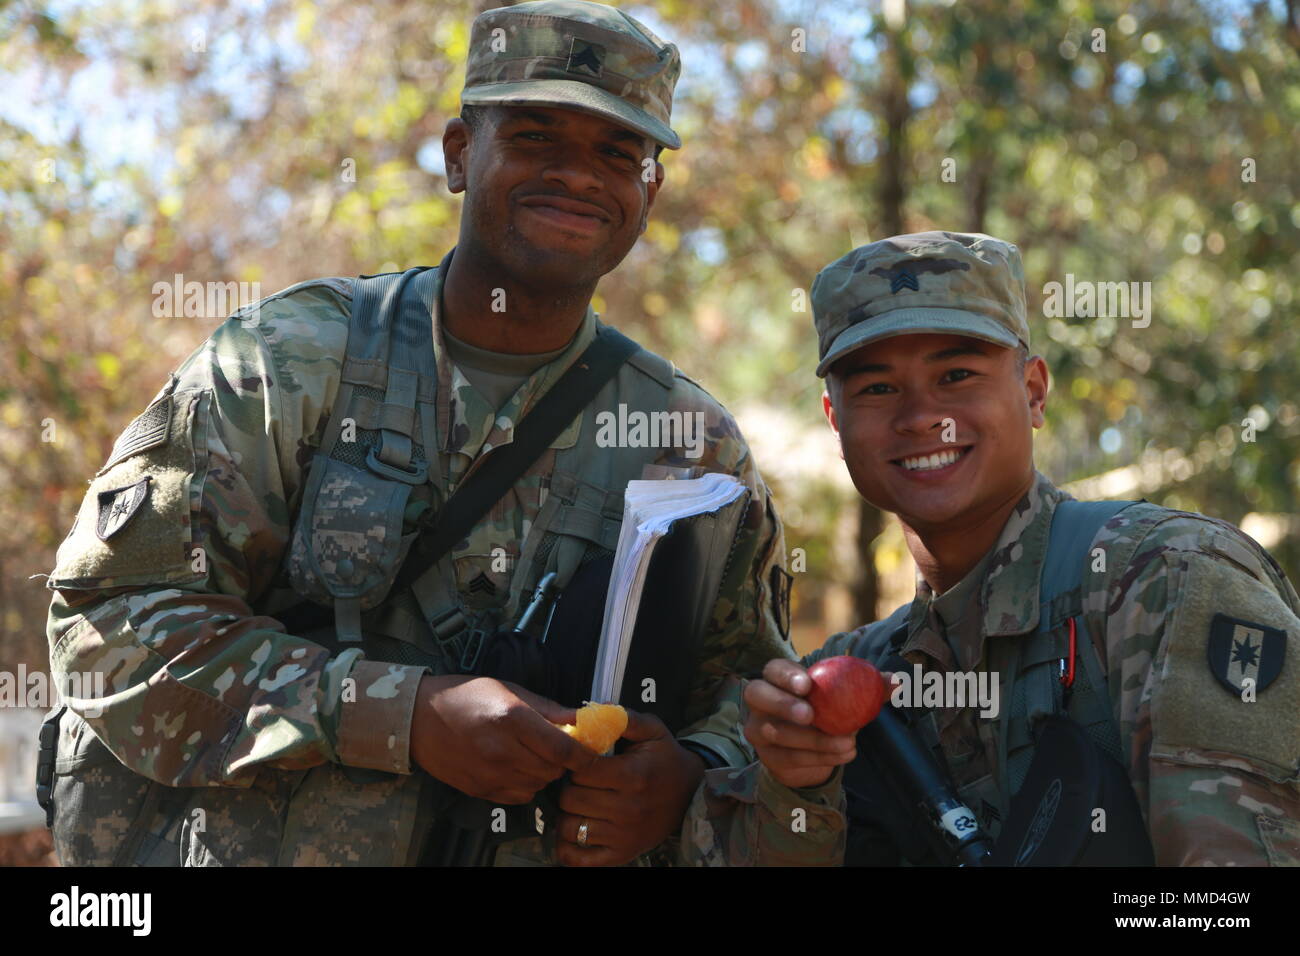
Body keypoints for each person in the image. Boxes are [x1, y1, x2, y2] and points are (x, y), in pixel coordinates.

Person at [42, 0, 791, 867]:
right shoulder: (291, 363)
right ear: (459, 154)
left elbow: (753, 692)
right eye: (537, 137)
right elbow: (111, 626)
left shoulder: (690, 443)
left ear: (649, 192)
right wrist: (404, 716)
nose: (579, 176)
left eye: (618, 154)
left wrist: (689, 775)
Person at [679, 231, 1300, 866]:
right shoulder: (849, 676)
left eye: (957, 375)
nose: (923, 416)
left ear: (1033, 392)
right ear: (836, 422)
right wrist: (798, 786)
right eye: (878, 388)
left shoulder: (1163, 581)